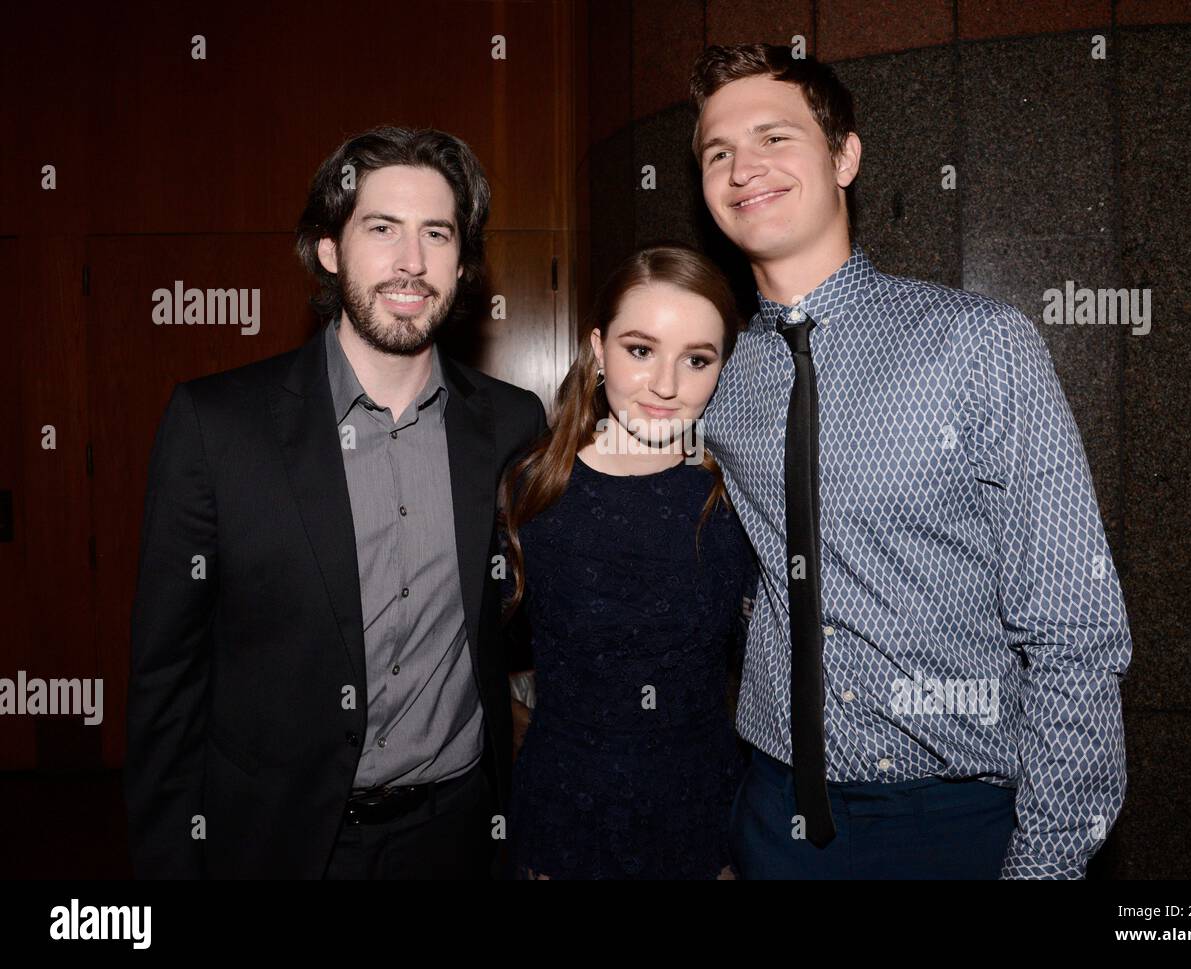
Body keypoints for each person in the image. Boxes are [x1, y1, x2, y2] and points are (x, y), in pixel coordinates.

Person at [689, 44, 1133, 879]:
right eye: (719, 153)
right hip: (773, 808)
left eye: (775, 138)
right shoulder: (717, 377)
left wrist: (1044, 862)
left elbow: (1074, 632)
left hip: (954, 819)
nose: (744, 168)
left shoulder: (978, 345)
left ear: (845, 157)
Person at [123, 126, 548, 878]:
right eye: (381, 229)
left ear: (462, 262)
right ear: (329, 249)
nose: (411, 261)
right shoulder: (215, 426)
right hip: (279, 841)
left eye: (437, 233)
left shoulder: (513, 425)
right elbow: (167, 681)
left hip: (455, 837)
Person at [497, 244, 759, 879]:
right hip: (563, 818)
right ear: (598, 348)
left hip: (702, 817)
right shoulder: (533, 487)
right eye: (640, 350)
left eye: (697, 359)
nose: (666, 385)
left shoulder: (739, 494)